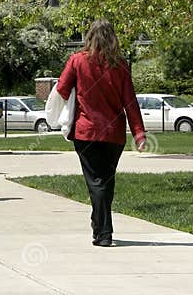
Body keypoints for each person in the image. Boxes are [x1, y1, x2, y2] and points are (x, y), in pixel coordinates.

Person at [56, 19, 146, 247]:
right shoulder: (121, 65)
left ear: (89, 37)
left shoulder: (77, 60)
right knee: (105, 181)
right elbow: (130, 101)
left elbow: (62, 89)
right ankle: (100, 227)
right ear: (113, 39)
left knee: (96, 182)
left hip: (86, 131)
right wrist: (139, 134)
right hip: (114, 134)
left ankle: (104, 231)